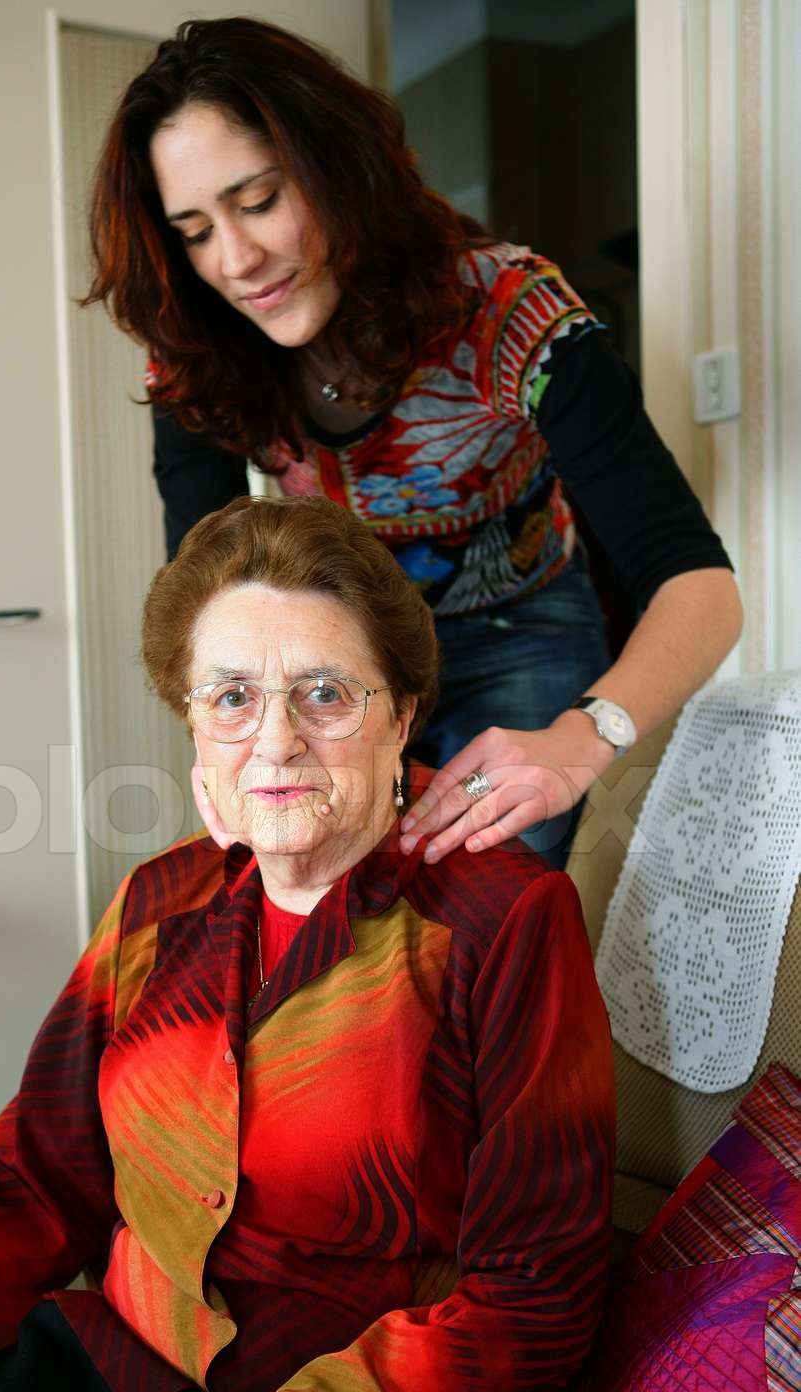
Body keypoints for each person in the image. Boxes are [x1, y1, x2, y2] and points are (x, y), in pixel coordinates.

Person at [0, 498, 615, 1392]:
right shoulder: (159, 898)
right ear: (191, 726)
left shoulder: (503, 923)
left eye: (323, 694)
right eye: (230, 698)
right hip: (119, 1373)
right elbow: (32, 1174)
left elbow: (535, 1296)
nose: (273, 739)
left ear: (401, 712)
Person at [87, 16, 743, 869]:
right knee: (333, 897)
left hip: (520, 626)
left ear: (338, 170)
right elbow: (202, 588)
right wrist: (223, 740)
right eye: (196, 230)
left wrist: (581, 740)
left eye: (258, 201)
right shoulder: (193, 347)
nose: (236, 259)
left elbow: (700, 586)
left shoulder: (511, 311)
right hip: (335, 644)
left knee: (489, 889)